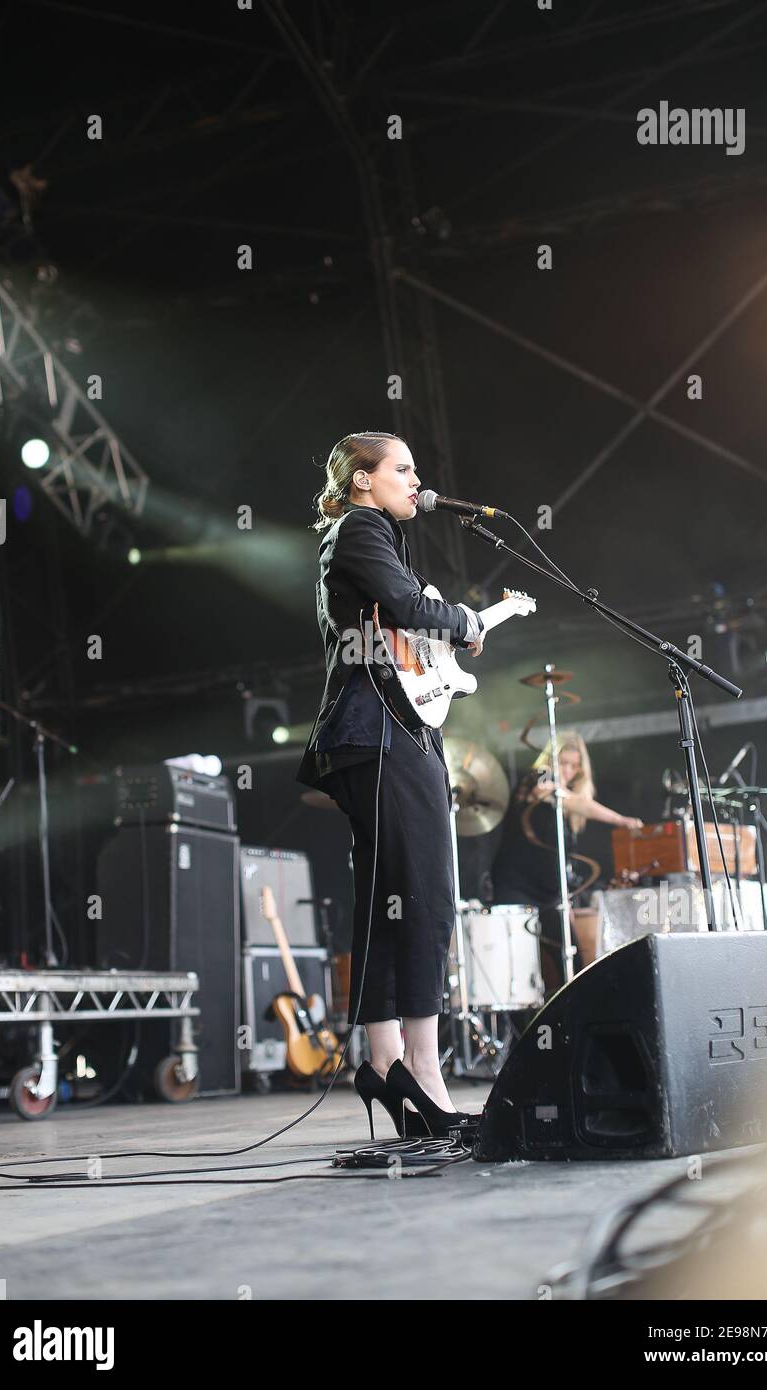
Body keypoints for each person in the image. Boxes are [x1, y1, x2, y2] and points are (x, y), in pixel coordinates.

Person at [296, 431, 486, 1138]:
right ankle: (425, 1070)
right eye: (402, 469)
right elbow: (410, 608)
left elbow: (395, 626)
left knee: (388, 899)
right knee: (428, 892)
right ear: (362, 481)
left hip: (375, 730)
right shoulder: (361, 529)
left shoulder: (366, 534)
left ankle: (384, 1061)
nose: (416, 480)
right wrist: (465, 619)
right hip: (376, 731)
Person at [491, 734, 643, 992]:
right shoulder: (538, 778)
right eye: (564, 762)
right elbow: (574, 801)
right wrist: (621, 820)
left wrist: (566, 895)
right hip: (515, 886)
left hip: (550, 894)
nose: (569, 771)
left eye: (575, 766)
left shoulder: (566, 804)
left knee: (570, 966)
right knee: (516, 971)